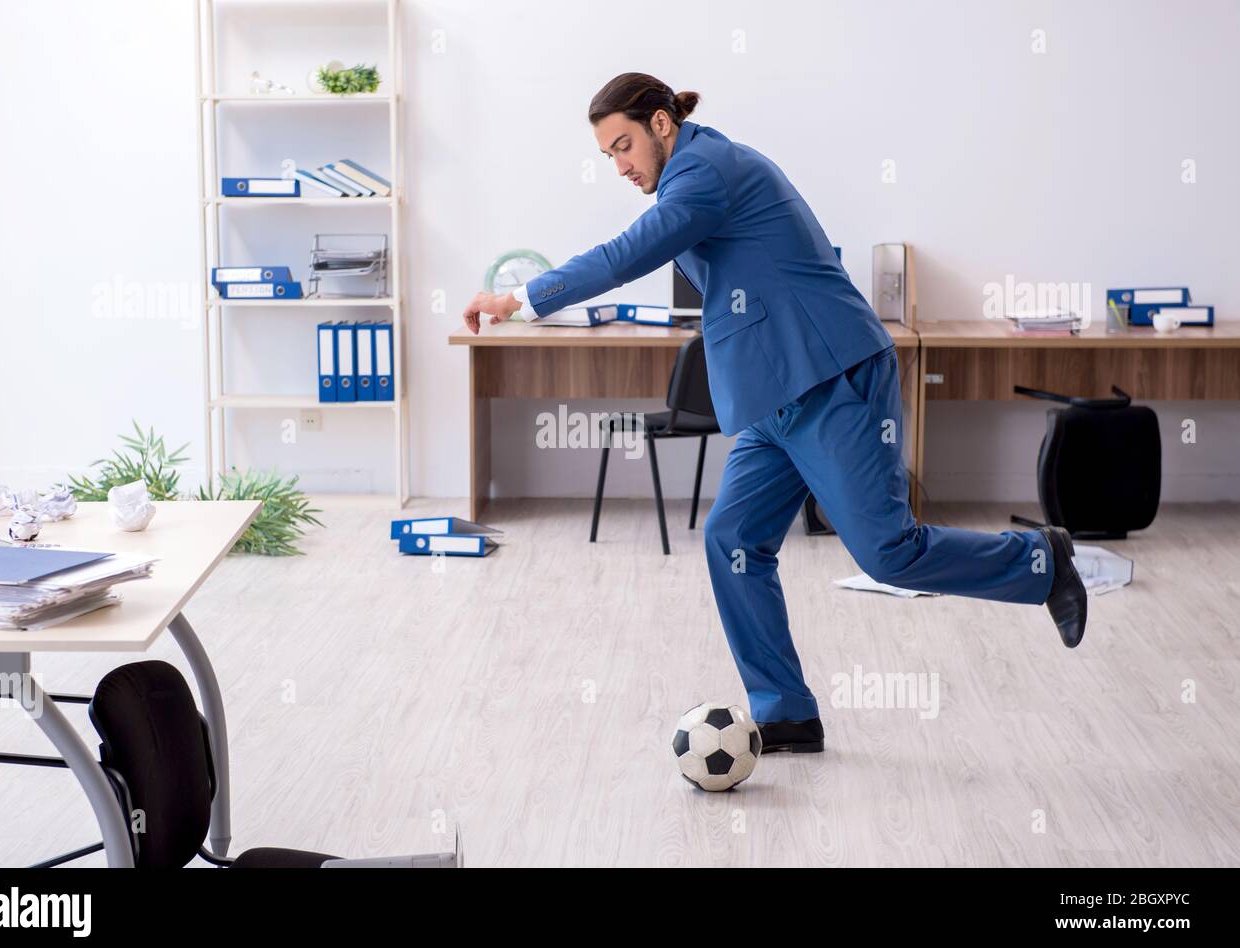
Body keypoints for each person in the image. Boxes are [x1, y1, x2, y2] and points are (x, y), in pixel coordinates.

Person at [463, 72, 1087, 754]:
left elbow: (627, 254)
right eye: (608, 154)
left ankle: (1041, 561)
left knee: (888, 554)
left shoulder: (706, 169)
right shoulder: (692, 172)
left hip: (830, 378)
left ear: (661, 125)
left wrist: (519, 298)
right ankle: (785, 708)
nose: (619, 165)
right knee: (732, 539)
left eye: (623, 146)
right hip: (773, 397)